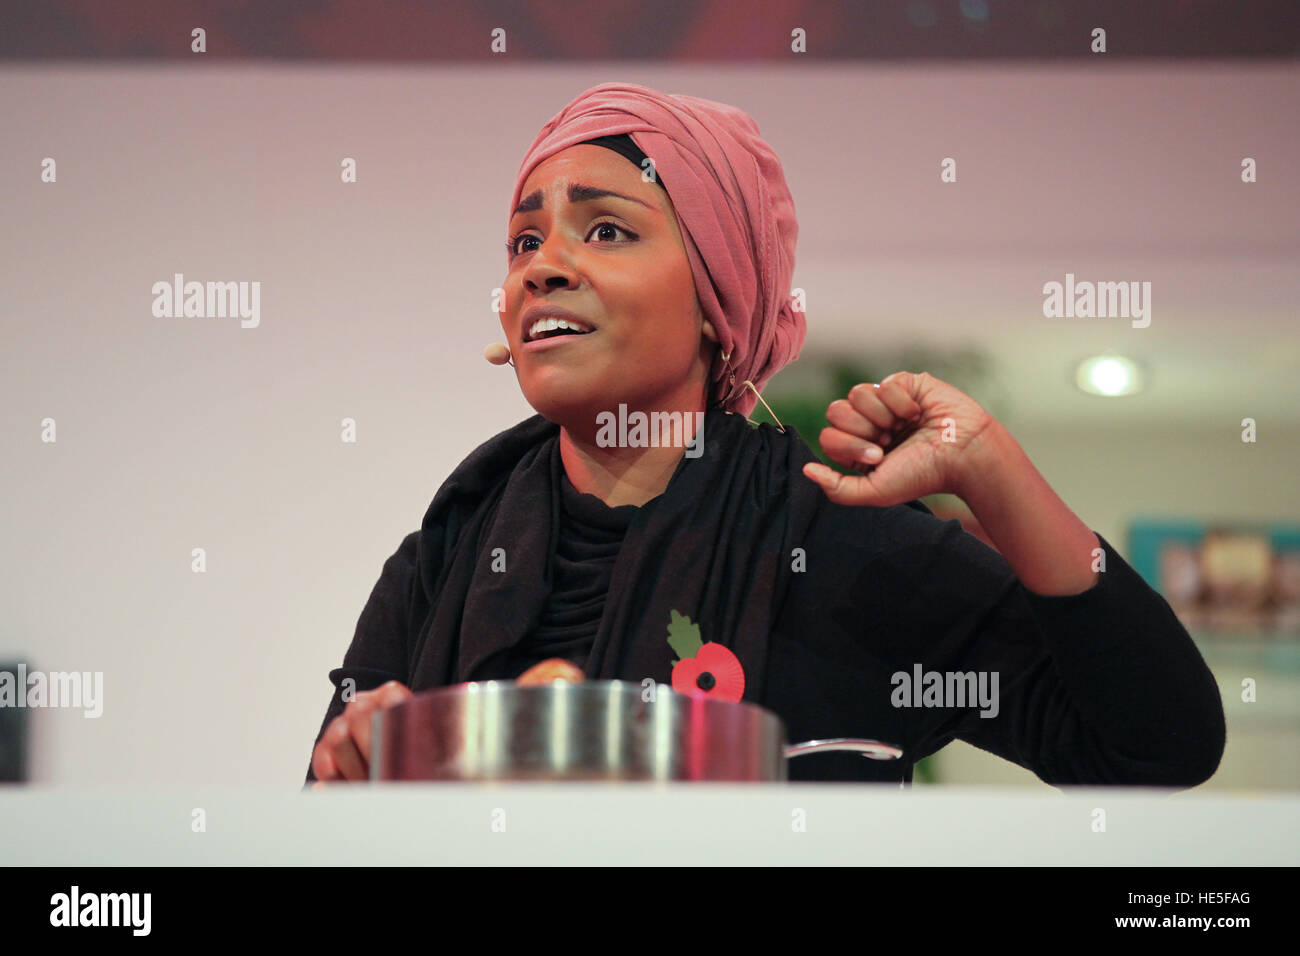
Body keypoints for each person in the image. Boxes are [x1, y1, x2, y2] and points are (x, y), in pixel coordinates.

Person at [305, 82, 1225, 788]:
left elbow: (1160, 742)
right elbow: (323, 830)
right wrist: (355, 761)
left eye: (608, 230)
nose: (545, 267)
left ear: (717, 299)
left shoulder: (844, 552)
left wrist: (990, 466)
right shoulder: (446, 557)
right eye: (523, 243)